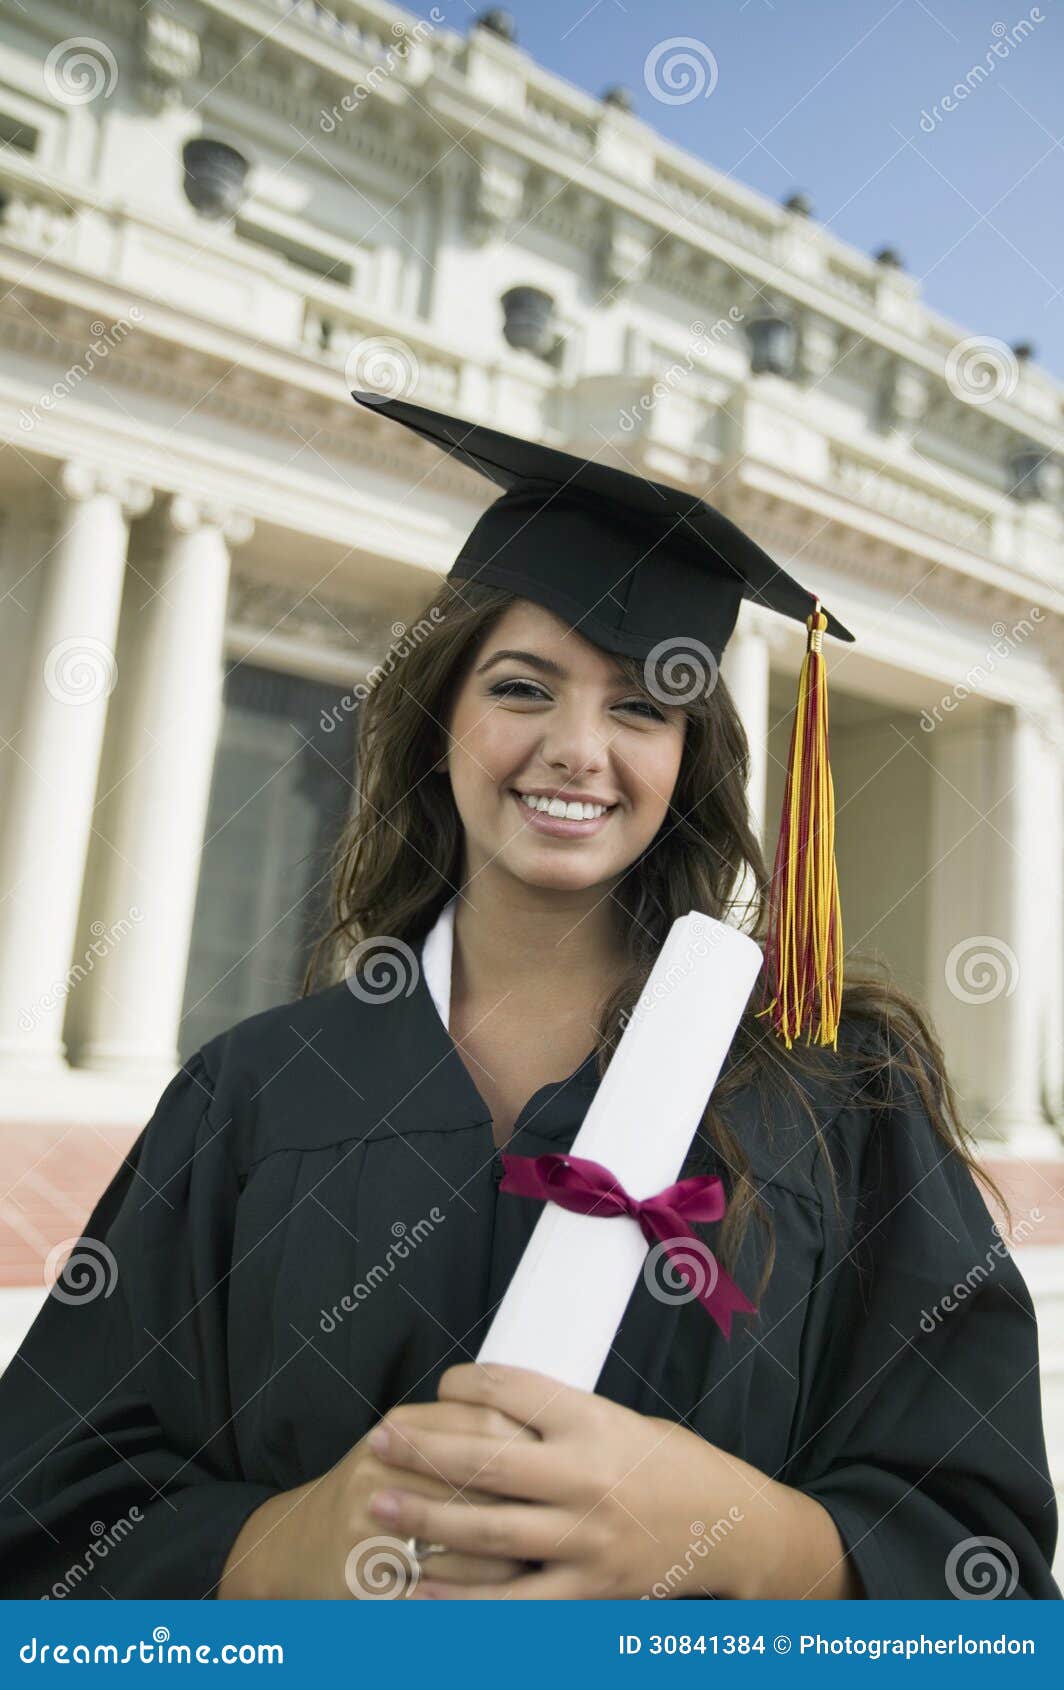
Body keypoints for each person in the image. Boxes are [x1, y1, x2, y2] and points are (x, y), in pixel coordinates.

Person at [0, 397, 1058, 1602]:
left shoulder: (832, 1089)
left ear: (684, 759)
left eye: (640, 707)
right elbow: (42, 1506)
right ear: (440, 713)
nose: (578, 748)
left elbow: (991, 1568)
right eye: (520, 688)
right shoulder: (256, 1091)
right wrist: (268, 1550)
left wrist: (750, 1539)